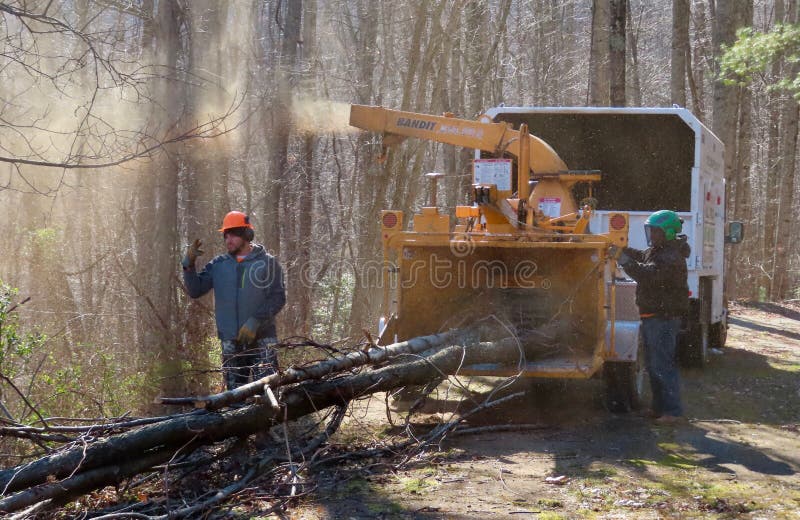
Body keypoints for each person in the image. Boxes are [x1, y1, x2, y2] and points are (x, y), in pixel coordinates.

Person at [182, 211, 286, 391]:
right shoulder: (218, 265)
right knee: (235, 398)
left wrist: (256, 320)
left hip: (263, 338)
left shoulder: (268, 263)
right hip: (231, 340)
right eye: (226, 235)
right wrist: (188, 265)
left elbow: (278, 297)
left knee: (268, 392)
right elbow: (195, 290)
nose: (228, 240)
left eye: (233, 234)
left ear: (247, 235)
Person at [610, 210, 690, 424]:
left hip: (663, 317)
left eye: (656, 231)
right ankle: (659, 408)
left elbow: (648, 275)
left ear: (668, 233)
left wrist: (624, 260)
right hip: (653, 316)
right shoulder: (659, 251)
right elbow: (642, 256)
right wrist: (622, 250)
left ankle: (672, 412)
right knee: (654, 365)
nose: (652, 235)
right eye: (650, 231)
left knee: (662, 365)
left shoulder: (671, 258)